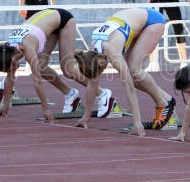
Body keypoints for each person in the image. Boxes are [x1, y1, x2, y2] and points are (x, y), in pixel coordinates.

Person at [74, 8, 177, 136]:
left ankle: (163, 104)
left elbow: (129, 88)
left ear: (101, 64)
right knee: (132, 72)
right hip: (134, 22)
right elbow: (92, 84)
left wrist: (137, 122)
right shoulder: (91, 52)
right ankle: (167, 99)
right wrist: (86, 117)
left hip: (152, 21)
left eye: (101, 70)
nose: (103, 71)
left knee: (134, 70)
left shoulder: (112, 51)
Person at [0, 8, 88, 122]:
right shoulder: (8, 51)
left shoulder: (27, 47)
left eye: (11, 69)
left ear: (13, 61)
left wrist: (46, 110)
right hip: (47, 20)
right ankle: (70, 93)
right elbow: (9, 80)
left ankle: (102, 93)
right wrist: (5, 106)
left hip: (64, 20)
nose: (12, 72)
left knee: (68, 69)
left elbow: (38, 82)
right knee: (42, 67)